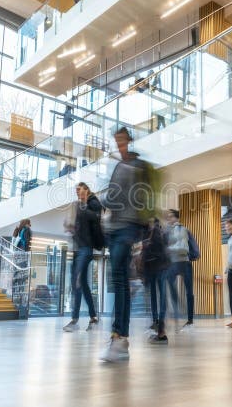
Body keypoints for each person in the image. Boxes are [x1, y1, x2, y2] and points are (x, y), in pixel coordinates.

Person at [99, 127, 152, 362]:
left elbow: (129, 197)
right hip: (115, 229)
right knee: (119, 281)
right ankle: (120, 338)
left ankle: (119, 336)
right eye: (116, 140)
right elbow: (111, 196)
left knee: (120, 281)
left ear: (129, 141)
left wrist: (107, 199)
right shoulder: (118, 166)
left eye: (122, 140)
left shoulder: (136, 166)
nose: (119, 144)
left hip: (128, 227)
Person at [63, 182, 102, 333]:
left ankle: (74, 320)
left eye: (79, 189)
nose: (77, 192)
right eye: (76, 190)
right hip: (77, 248)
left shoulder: (93, 203)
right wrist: (71, 227)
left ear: (86, 189)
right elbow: (81, 226)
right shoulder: (79, 205)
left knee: (77, 280)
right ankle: (93, 317)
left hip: (86, 248)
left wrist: (84, 203)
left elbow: (96, 217)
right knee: (82, 284)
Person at [165, 209, 195, 331]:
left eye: (171, 216)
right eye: (168, 217)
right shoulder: (168, 231)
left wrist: (169, 249)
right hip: (173, 263)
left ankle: (190, 320)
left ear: (177, 218)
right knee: (171, 286)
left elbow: (183, 248)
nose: (169, 218)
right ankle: (177, 310)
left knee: (189, 292)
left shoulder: (182, 229)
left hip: (184, 262)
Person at [142, 217, 169, 344]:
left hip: (159, 268)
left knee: (160, 296)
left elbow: (160, 251)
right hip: (153, 269)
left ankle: (161, 328)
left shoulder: (157, 232)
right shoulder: (148, 232)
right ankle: (156, 322)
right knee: (154, 296)